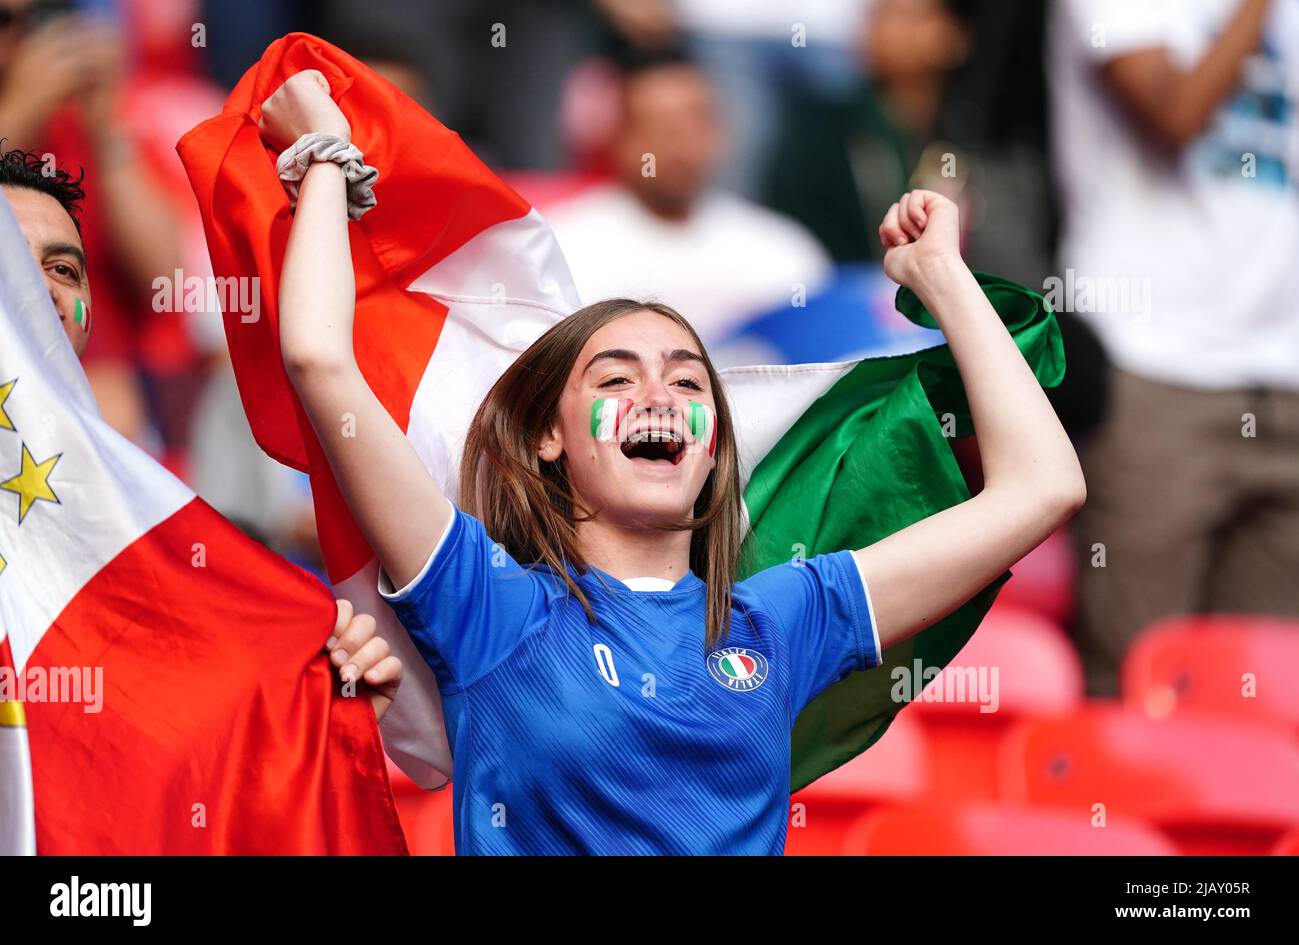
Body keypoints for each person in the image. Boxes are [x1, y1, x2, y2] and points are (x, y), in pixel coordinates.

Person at [262, 68, 1085, 855]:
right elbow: (320, 360)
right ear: (550, 438)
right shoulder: (488, 606)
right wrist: (326, 157)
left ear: (712, 443)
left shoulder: (786, 617)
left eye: (687, 379)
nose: (658, 393)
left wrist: (942, 277)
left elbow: (1044, 488)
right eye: (616, 377)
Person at [0, 145, 400, 716]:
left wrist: (310, 705)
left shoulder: (144, 525)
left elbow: (168, 732)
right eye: (10, 260)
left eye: (64, 270)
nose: (43, 289)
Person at [1048, 0, 1299, 695]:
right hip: (1153, 370)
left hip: (1284, 376)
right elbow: (1174, 115)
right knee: (1134, 681)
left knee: (1267, 701)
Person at [546, 49, 832, 348]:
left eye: (694, 125)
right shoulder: (565, 247)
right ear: (618, 138)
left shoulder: (783, 251)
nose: (679, 147)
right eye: (658, 128)